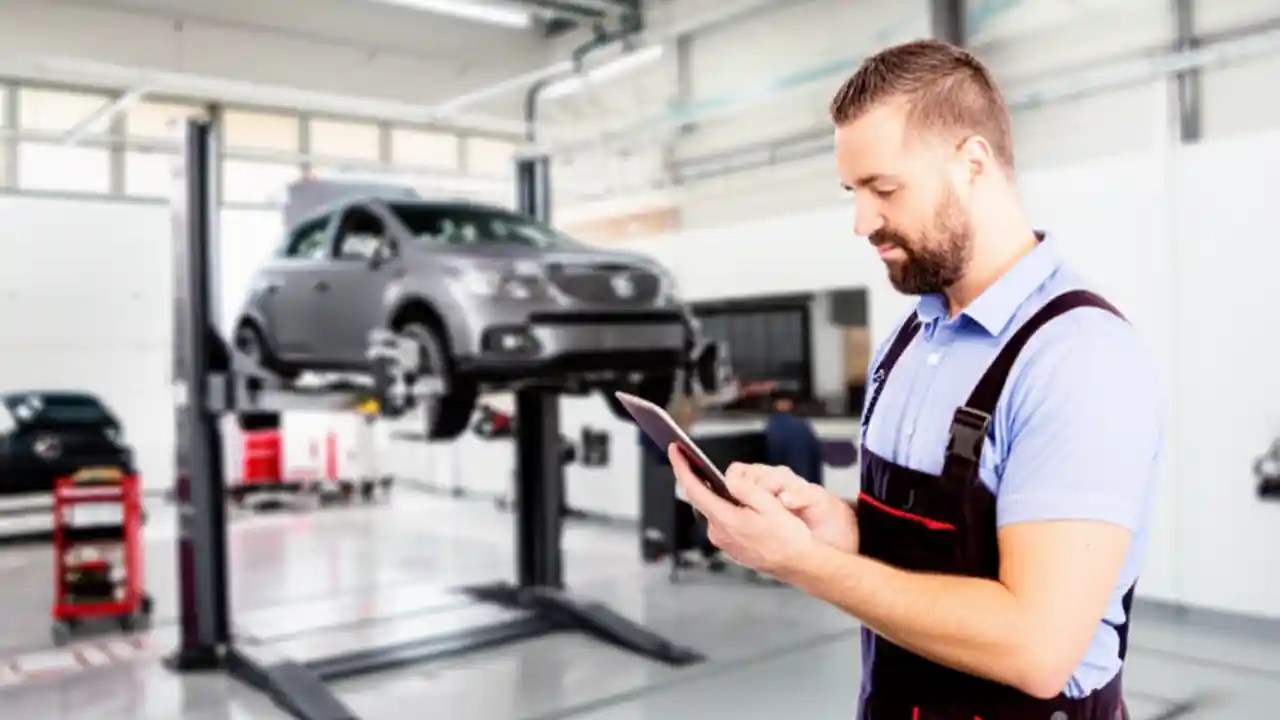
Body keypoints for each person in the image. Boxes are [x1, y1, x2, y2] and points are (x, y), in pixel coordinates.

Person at [666, 38, 1163, 719]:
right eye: (852, 191)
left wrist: (801, 565)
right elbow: (923, 551)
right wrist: (827, 525)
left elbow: (1037, 651)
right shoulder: (910, 341)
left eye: (884, 189)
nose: (861, 221)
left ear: (973, 163)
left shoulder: (1078, 356)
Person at [763, 389, 824, 487]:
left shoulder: (769, 427)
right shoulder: (803, 427)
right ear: (791, 404)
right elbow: (816, 456)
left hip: (778, 487)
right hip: (804, 484)